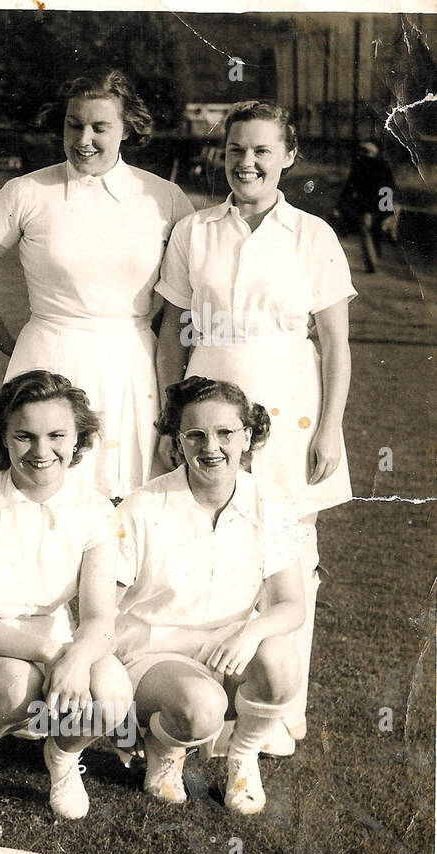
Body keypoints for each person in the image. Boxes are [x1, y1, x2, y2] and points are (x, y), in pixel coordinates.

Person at [156, 100, 354, 750]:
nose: (247, 162)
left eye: (262, 150)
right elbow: (169, 333)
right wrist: (170, 414)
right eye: (236, 149)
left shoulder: (314, 236)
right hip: (209, 403)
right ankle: (212, 702)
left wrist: (328, 429)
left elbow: (336, 344)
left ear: (288, 156)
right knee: (215, 544)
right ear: (223, 154)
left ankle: (281, 708)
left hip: (291, 408)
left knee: (293, 555)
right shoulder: (194, 230)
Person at [0, 69, 194, 501]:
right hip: (46, 353)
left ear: (127, 129)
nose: (84, 139)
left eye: (100, 127)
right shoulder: (26, 192)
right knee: (38, 494)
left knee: (126, 497)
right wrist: (7, 341)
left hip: (130, 363)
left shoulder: (164, 197)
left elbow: (190, 291)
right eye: (74, 125)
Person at [0, 371, 131, 820]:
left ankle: (61, 759)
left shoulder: (96, 509)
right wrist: (52, 653)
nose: (42, 452)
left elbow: (100, 618)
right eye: (25, 436)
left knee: (113, 692)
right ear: (2, 436)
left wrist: (77, 659)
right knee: (17, 684)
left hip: (56, 652)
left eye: (57, 435)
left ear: (78, 436)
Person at [116, 377, 304, 813]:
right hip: (153, 657)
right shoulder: (142, 507)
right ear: (178, 441)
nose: (211, 447)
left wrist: (251, 631)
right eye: (195, 434)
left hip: (228, 651)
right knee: (202, 706)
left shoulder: (270, 506)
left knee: (280, 660)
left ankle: (243, 757)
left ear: (249, 436)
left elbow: (291, 604)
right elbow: (102, 606)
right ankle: (165, 749)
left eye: (225, 433)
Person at [334, 139, 399, 273]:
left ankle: (374, 258)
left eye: (367, 152)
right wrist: (340, 206)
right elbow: (349, 185)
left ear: (375, 152)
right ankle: (371, 264)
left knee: (374, 230)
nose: (363, 154)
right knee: (366, 230)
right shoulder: (359, 165)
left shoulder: (382, 166)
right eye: (362, 151)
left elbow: (388, 187)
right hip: (366, 206)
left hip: (379, 203)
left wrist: (385, 210)